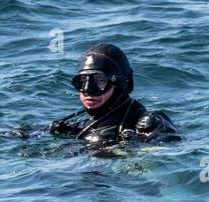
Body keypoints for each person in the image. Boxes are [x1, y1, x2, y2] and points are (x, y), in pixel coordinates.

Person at [49, 43, 179, 149]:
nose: (88, 90)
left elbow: (168, 150)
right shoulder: (83, 123)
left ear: (119, 84)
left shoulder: (147, 124)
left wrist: (127, 148)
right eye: (82, 82)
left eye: (100, 81)